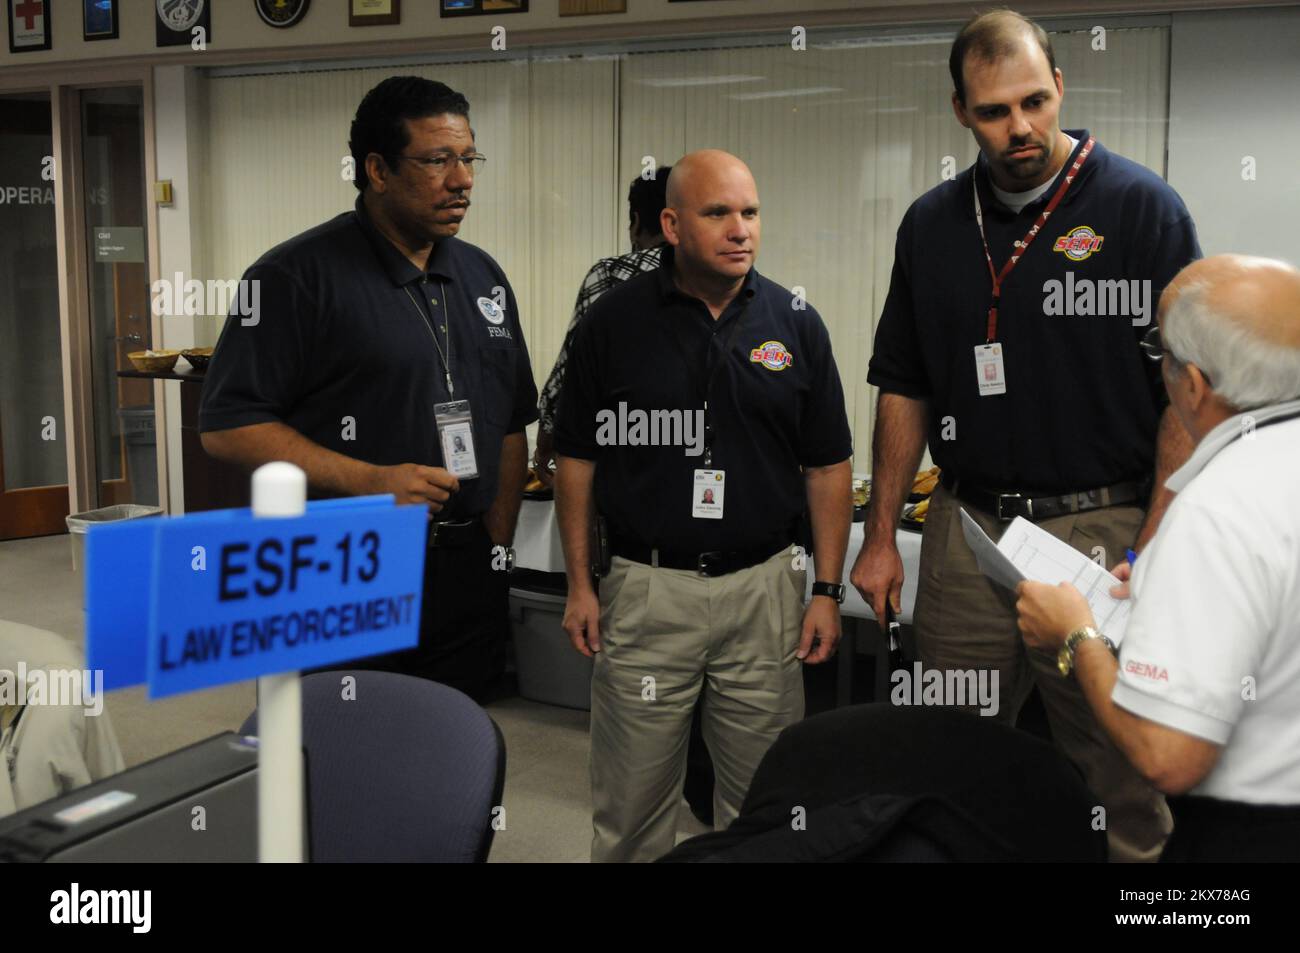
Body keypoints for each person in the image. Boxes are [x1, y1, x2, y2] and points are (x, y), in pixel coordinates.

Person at [849, 10, 1201, 861]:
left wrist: (1151, 546)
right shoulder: (932, 225)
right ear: (960, 111)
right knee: (950, 753)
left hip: (1103, 528)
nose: (1022, 128)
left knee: (1117, 765)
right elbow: (905, 382)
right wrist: (879, 535)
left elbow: (1187, 404)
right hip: (970, 532)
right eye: (997, 111)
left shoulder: (1141, 209)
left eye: (1036, 102)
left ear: (1061, 89)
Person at [554, 149, 854, 862]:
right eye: (718, 213)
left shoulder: (795, 321)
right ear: (672, 224)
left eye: (749, 212)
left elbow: (829, 465)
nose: (740, 229)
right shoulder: (612, 323)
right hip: (649, 588)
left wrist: (827, 590)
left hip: (763, 591)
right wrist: (576, 583)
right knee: (632, 806)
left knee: (764, 803)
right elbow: (577, 461)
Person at [199, 76, 538, 703]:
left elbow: (514, 419)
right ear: (376, 170)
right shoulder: (291, 278)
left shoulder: (482, 274)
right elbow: (227, 426)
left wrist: (497, 538)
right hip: (343, 565)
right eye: (437, 160)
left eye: (468, 158)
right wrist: (370, 480)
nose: (462, 179)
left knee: (450, 750)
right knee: (341, 761)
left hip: (465, 570)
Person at [1017, 255, 1300, 862]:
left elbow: (1164, 755)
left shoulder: (1215, 507)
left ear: (1193, 385)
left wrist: (1076, 636)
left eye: (1161, 354)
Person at [533, 167, 672, 484]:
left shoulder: (612, 274)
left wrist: (544, 447)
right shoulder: (717, 279)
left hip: (623, 454)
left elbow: (570, 369)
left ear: (636, 222)